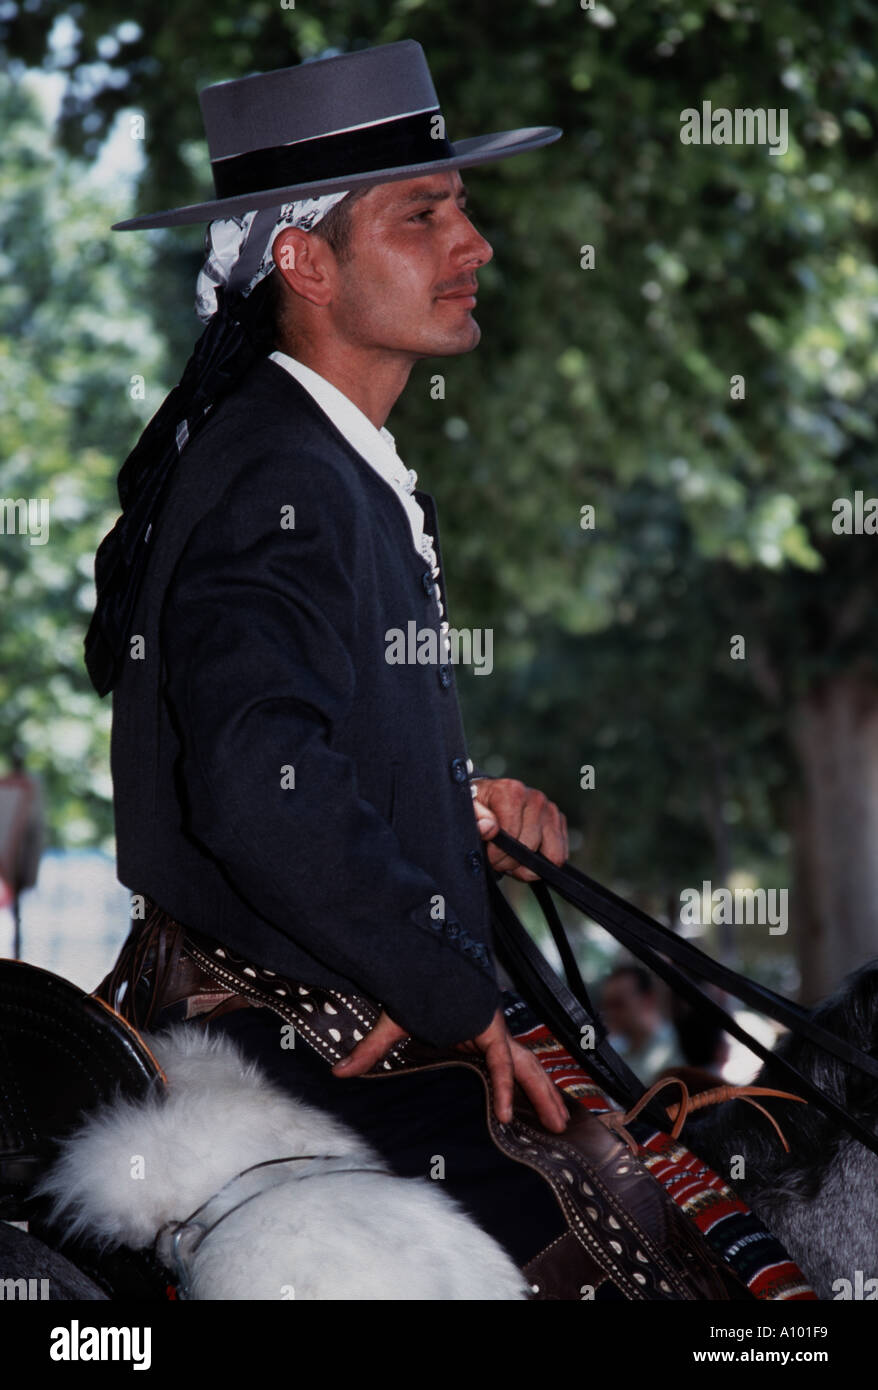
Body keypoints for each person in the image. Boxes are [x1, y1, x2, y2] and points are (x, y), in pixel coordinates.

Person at [88, 40, 577, 1276]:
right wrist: (449, 989)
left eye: (462, 208)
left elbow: (286, 750)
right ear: (302, 258)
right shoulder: (285, 473)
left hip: (321, 1018)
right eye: (423, 213)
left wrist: (444, 811)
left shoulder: (301, 452)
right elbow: (255, 779)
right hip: (305, 1047)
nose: (473, 245)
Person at [600, 964, 685, 1084]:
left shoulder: (674, 1050)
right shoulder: (621, 1051)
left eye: (618, 1004)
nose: (610, 1014)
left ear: (648, 1000)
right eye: (607, 1005)